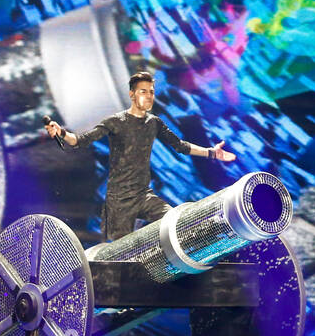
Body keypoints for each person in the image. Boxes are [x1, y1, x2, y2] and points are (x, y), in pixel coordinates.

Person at [43, 71, 235, 241]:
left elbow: (182, 146)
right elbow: (81, 140)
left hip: (171, 189)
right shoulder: (114, 122)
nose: (148, 96)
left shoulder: (162, 121)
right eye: (143, 92)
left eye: (150, 91)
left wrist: (210, 153)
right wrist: (61, 133)